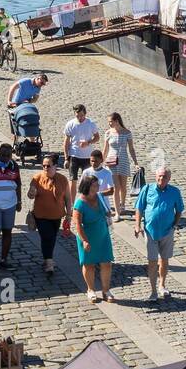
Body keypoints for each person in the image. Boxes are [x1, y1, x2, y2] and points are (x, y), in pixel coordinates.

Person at [135, 166, 184, 302]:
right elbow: (139, 207)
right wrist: (137, 225)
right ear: (156, 176)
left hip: (167, 231)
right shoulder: (147, 189)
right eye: (160, 176)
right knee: (152, 262)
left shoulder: (174, 192)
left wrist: (174, 225)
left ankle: (162, 285)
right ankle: (153, 291)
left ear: (169, 178)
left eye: (165, 177)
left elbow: (179, 209)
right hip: (150, 231)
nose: (162, 179)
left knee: (164, 259)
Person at [72, 174, 115, 302]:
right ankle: (91, 290)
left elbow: (108, 202)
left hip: (102, 236)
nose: (98, 187)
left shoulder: (100, 197)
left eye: (97, 185)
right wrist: (84, 240)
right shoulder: (80, 203)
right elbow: (78, 224)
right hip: (87, 237)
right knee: (89, 264)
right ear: (87, 187)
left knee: (106, 263)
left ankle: (106, 290)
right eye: (95, 185)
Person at [28, 153, 70, 277]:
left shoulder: (62, 179)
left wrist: (69, 214)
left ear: (55, 166)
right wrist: (31, 193)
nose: (45, 168)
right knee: (47, 236)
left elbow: (68, 198)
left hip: (57, 215)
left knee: (51, 238)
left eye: (48, 166)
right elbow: (30, 194)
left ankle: (47, 258)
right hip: (40, 215)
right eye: (44, 166)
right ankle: (49, 262)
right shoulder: (37, 178)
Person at [105, 112, 139, 218]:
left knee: (123, 186)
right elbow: (105, 149)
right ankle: (117, 212)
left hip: (123, 160)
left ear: (117, 121)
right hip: (111, 161)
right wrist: (100, 162)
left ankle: (122, 204)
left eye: (111, 121)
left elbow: (131, 149)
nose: (109, 124)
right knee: (116, 187)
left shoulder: (127, 133)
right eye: (109, 122)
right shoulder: (108, 133)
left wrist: (136, 162)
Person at [63, 104, 100, 178]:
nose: (80, 118)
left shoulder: (91, 123)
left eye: (82, 115)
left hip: (87, 156)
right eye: (77, 116)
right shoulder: (70, 124)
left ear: (85, 114)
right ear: (74, 114)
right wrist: (66, 158)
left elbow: (97, 137)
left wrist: (88, 142)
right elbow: (66, 143)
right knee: (72, 179)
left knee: (87, 180)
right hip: (74, 156)